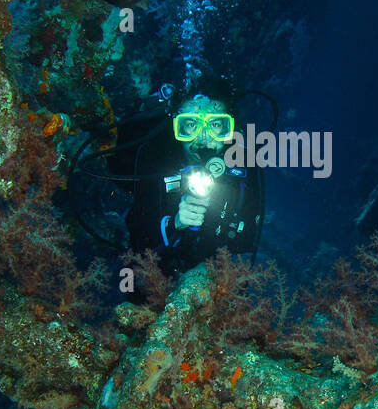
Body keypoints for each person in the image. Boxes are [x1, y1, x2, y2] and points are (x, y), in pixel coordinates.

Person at [113, 85, 264, 272]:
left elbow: (249, 242)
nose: (203, 138)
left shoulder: (244, 162)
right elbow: (139, 247)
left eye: (216, 125)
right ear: (177, 126)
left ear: (229, 129)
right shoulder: (155, 157)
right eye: (190, 125)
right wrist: (176, 223)